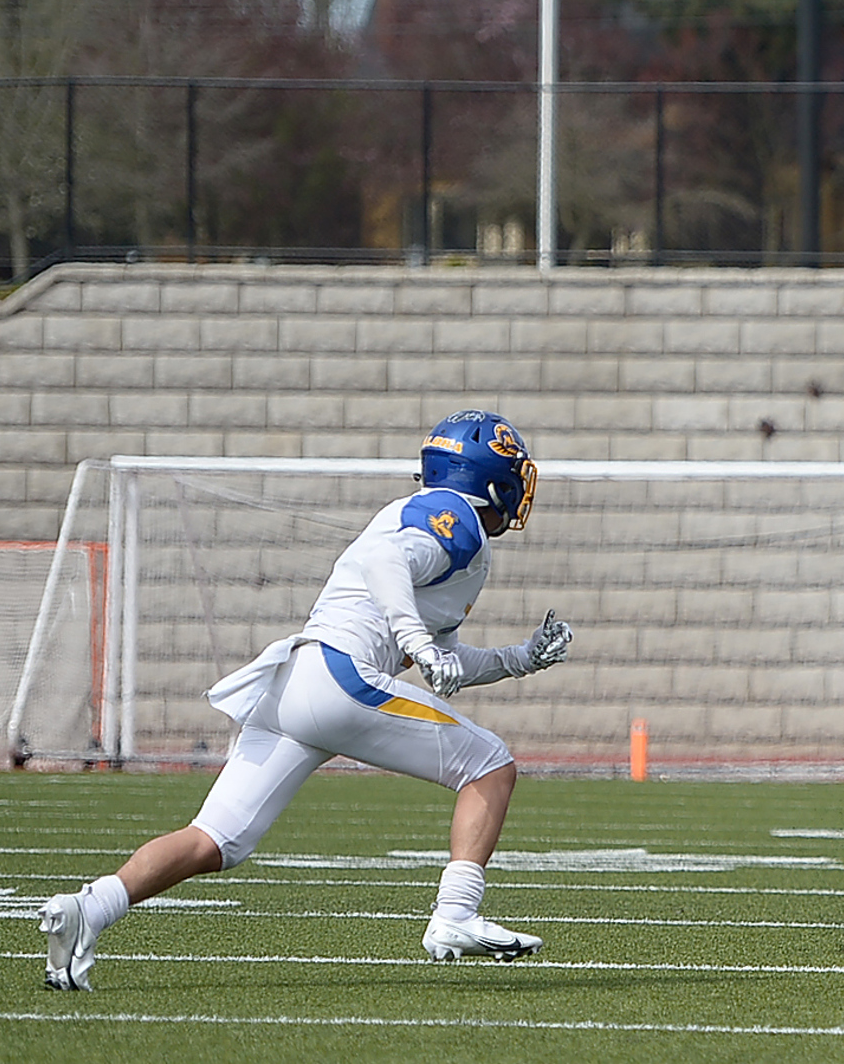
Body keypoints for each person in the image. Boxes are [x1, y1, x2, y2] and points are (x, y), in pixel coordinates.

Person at [38, 409, 574, 990]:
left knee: (214, 840)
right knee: (490, 767)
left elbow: (443, 656)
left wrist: (517, 659)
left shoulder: (440, 530)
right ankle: (455, 914)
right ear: (486, 474)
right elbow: (386, 564)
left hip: (295, 683)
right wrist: (418, 641)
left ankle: (89, 908)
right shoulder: (458, 519)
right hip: (340, 676)